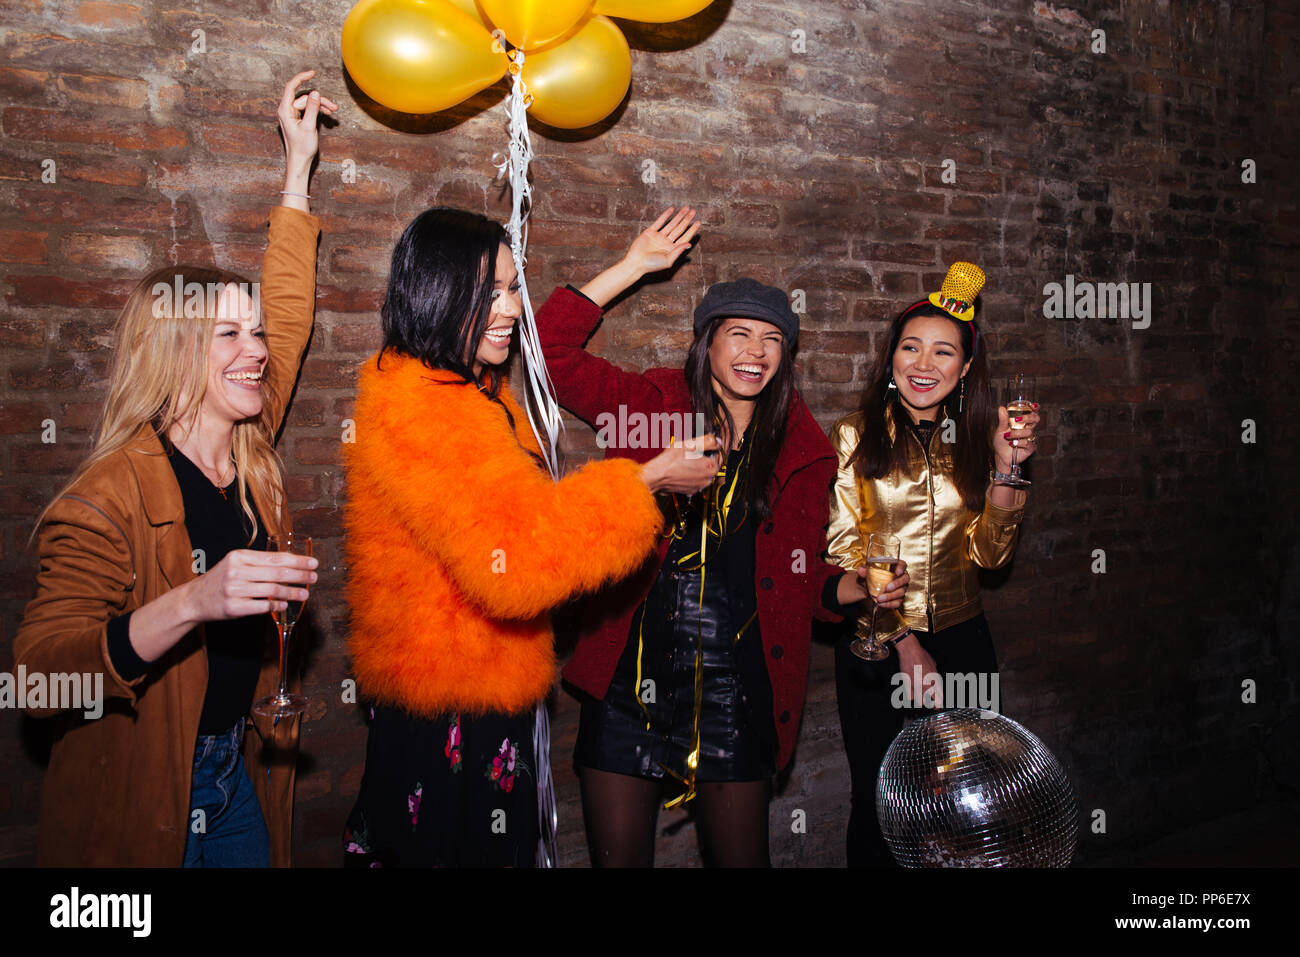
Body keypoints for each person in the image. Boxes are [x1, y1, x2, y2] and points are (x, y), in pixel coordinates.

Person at [13, 72, 335, 866]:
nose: (255, 350)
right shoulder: (105, 496)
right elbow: (36, 681)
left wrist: (297, 168)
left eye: (252, 333)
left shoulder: (252, 440)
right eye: (226, 337)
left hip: (239, 772)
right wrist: (194, 600)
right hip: (145, 789)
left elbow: (288, 309)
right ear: (173, 355)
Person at [340, 207, 720, 868]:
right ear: (436, 291)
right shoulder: (429, 407)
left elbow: (513, 516)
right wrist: (646, 481)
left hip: (475, 689)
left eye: (512, 287)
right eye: (490, 291)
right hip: (451, 710)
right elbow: (514, 562)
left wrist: (633, 265)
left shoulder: (462, 387)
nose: (511, 307)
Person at [536, 207, 909, 867]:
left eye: (772, 339)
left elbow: (796, 577)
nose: (756, 352)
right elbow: (550, 352)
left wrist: (852, 586)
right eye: (739, 334)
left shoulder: (803, 452)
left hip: (738, 691)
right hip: (631, 683)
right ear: (707, 341)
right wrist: (632, 267)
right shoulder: (652, 409)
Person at [825, 261, 1041, 867]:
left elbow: (992, 557)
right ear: (891, 357)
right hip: (877, 646)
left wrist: (1006, 468)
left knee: (969, 805)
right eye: (910, 347)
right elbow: (843, 551)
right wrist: (903, 645)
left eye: (943, 352)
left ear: (966, 367)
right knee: (884, 806)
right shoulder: (854, 436)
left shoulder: (980, 442)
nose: (924, 364)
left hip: (966, 644)